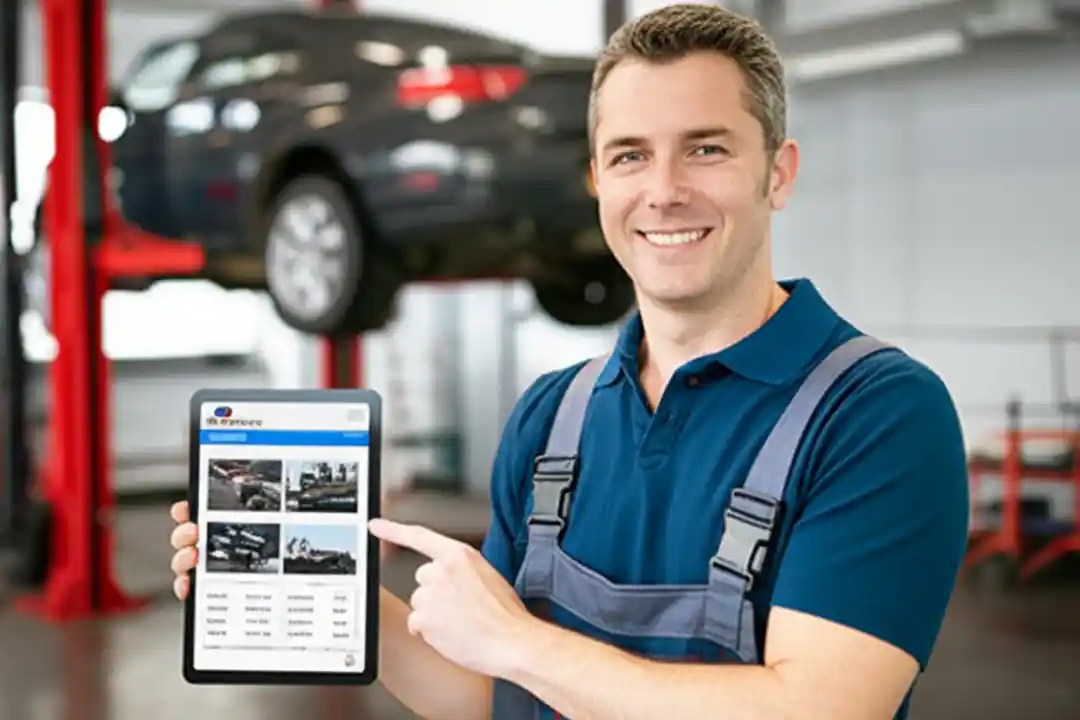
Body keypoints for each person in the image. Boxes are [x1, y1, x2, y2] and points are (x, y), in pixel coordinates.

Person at [169, 4, 969, 719]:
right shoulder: (554, 417)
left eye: (705, 150)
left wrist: (518, 642)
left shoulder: (880, 414)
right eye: (629, 156)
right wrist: (329, 590)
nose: (662, 191)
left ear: (778, 173)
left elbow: (817, 710)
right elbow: (488, 694)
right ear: (596, 181)